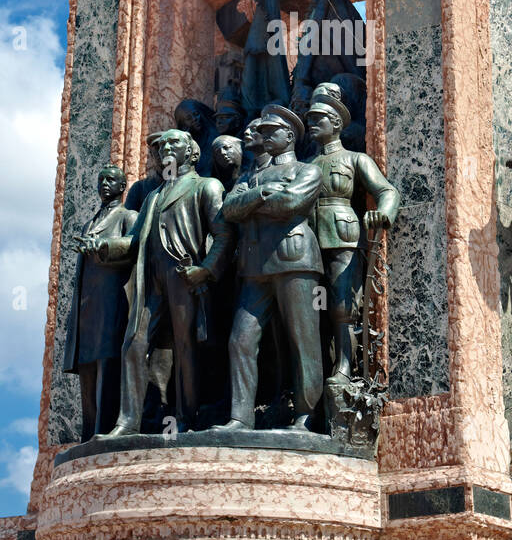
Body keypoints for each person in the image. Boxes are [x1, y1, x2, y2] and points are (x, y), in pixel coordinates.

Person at [96, 130, 233, 435]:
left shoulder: (206, 186)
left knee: (186, 348)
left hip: (185, 276)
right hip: (151, 279)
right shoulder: (153, 196)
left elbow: (224, 235)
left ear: (193, 153)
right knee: (133, 344)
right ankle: (127, 421)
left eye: (174, 143)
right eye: (160, 146)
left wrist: (206, 270)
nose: (165, 149)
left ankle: (186, 418)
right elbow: (133, 243)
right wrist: (104, 247)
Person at [216, 105, 324, 432]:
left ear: (289, 135)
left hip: (294, 260)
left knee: (303, 340)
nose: (262, 135)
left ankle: (307, 416)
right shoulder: (252, 177)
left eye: (269, 131)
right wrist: (262, 193)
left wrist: (253, 203)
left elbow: (291, 203)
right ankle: (240, 417)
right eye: (260, 131)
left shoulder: (308, 171)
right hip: (254, 267)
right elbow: (229, 210)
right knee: (240, 340)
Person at [305, 85, 400, 381]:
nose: (311, 124)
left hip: (342, 236)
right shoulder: (304, 165)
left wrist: (383, 213)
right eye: (309, 119)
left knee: (343, 307)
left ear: (336, 124)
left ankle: (345, 367)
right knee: (312, 310)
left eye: (318, 119)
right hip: (307, 242)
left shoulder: (355, 159)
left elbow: (387, 191)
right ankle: (317, 372)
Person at [64, 166, 137, 441]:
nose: (105, 184)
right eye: (101, 180)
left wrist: (102, 246)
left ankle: (103, 429)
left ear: (122, 187)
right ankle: (88, 432)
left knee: (107, 361)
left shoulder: (128, 216)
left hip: (112, 300)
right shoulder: (89, 222)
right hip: (88, 306)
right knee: (88, 365)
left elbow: (135, 247)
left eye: (111, 180)